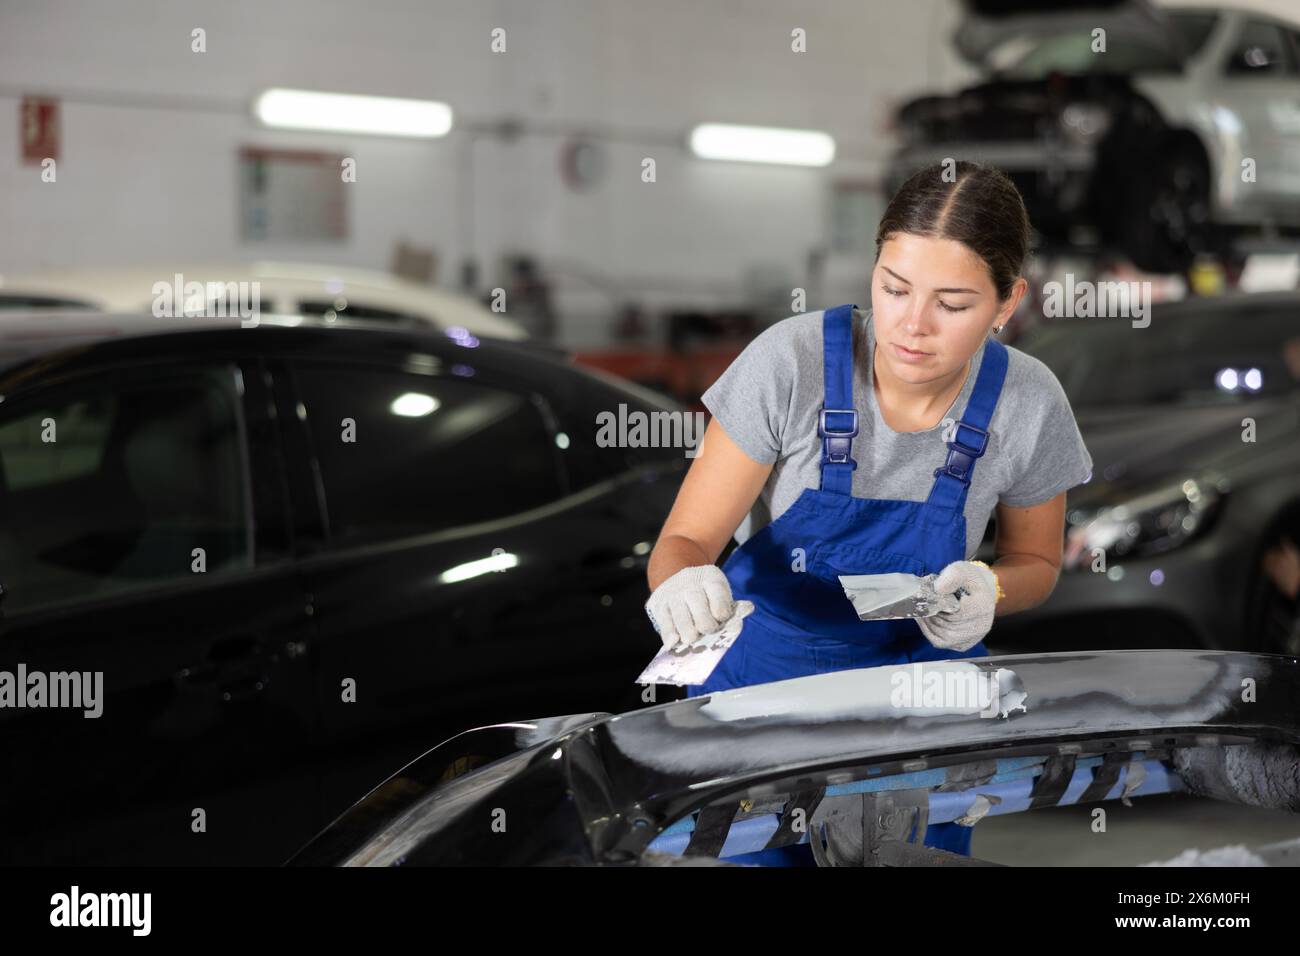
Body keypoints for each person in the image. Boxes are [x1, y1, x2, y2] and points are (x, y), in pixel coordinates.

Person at [643, 160, 1094, 865]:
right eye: (894, 289)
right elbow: (684, 539)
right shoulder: (793, 365)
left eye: (953, 303)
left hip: (919, 714)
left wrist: (990, 590)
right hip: (765, 701)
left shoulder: (1028, 402)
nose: (912, 326)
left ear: (1007, 303)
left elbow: (1036, 562)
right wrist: (681, 583)